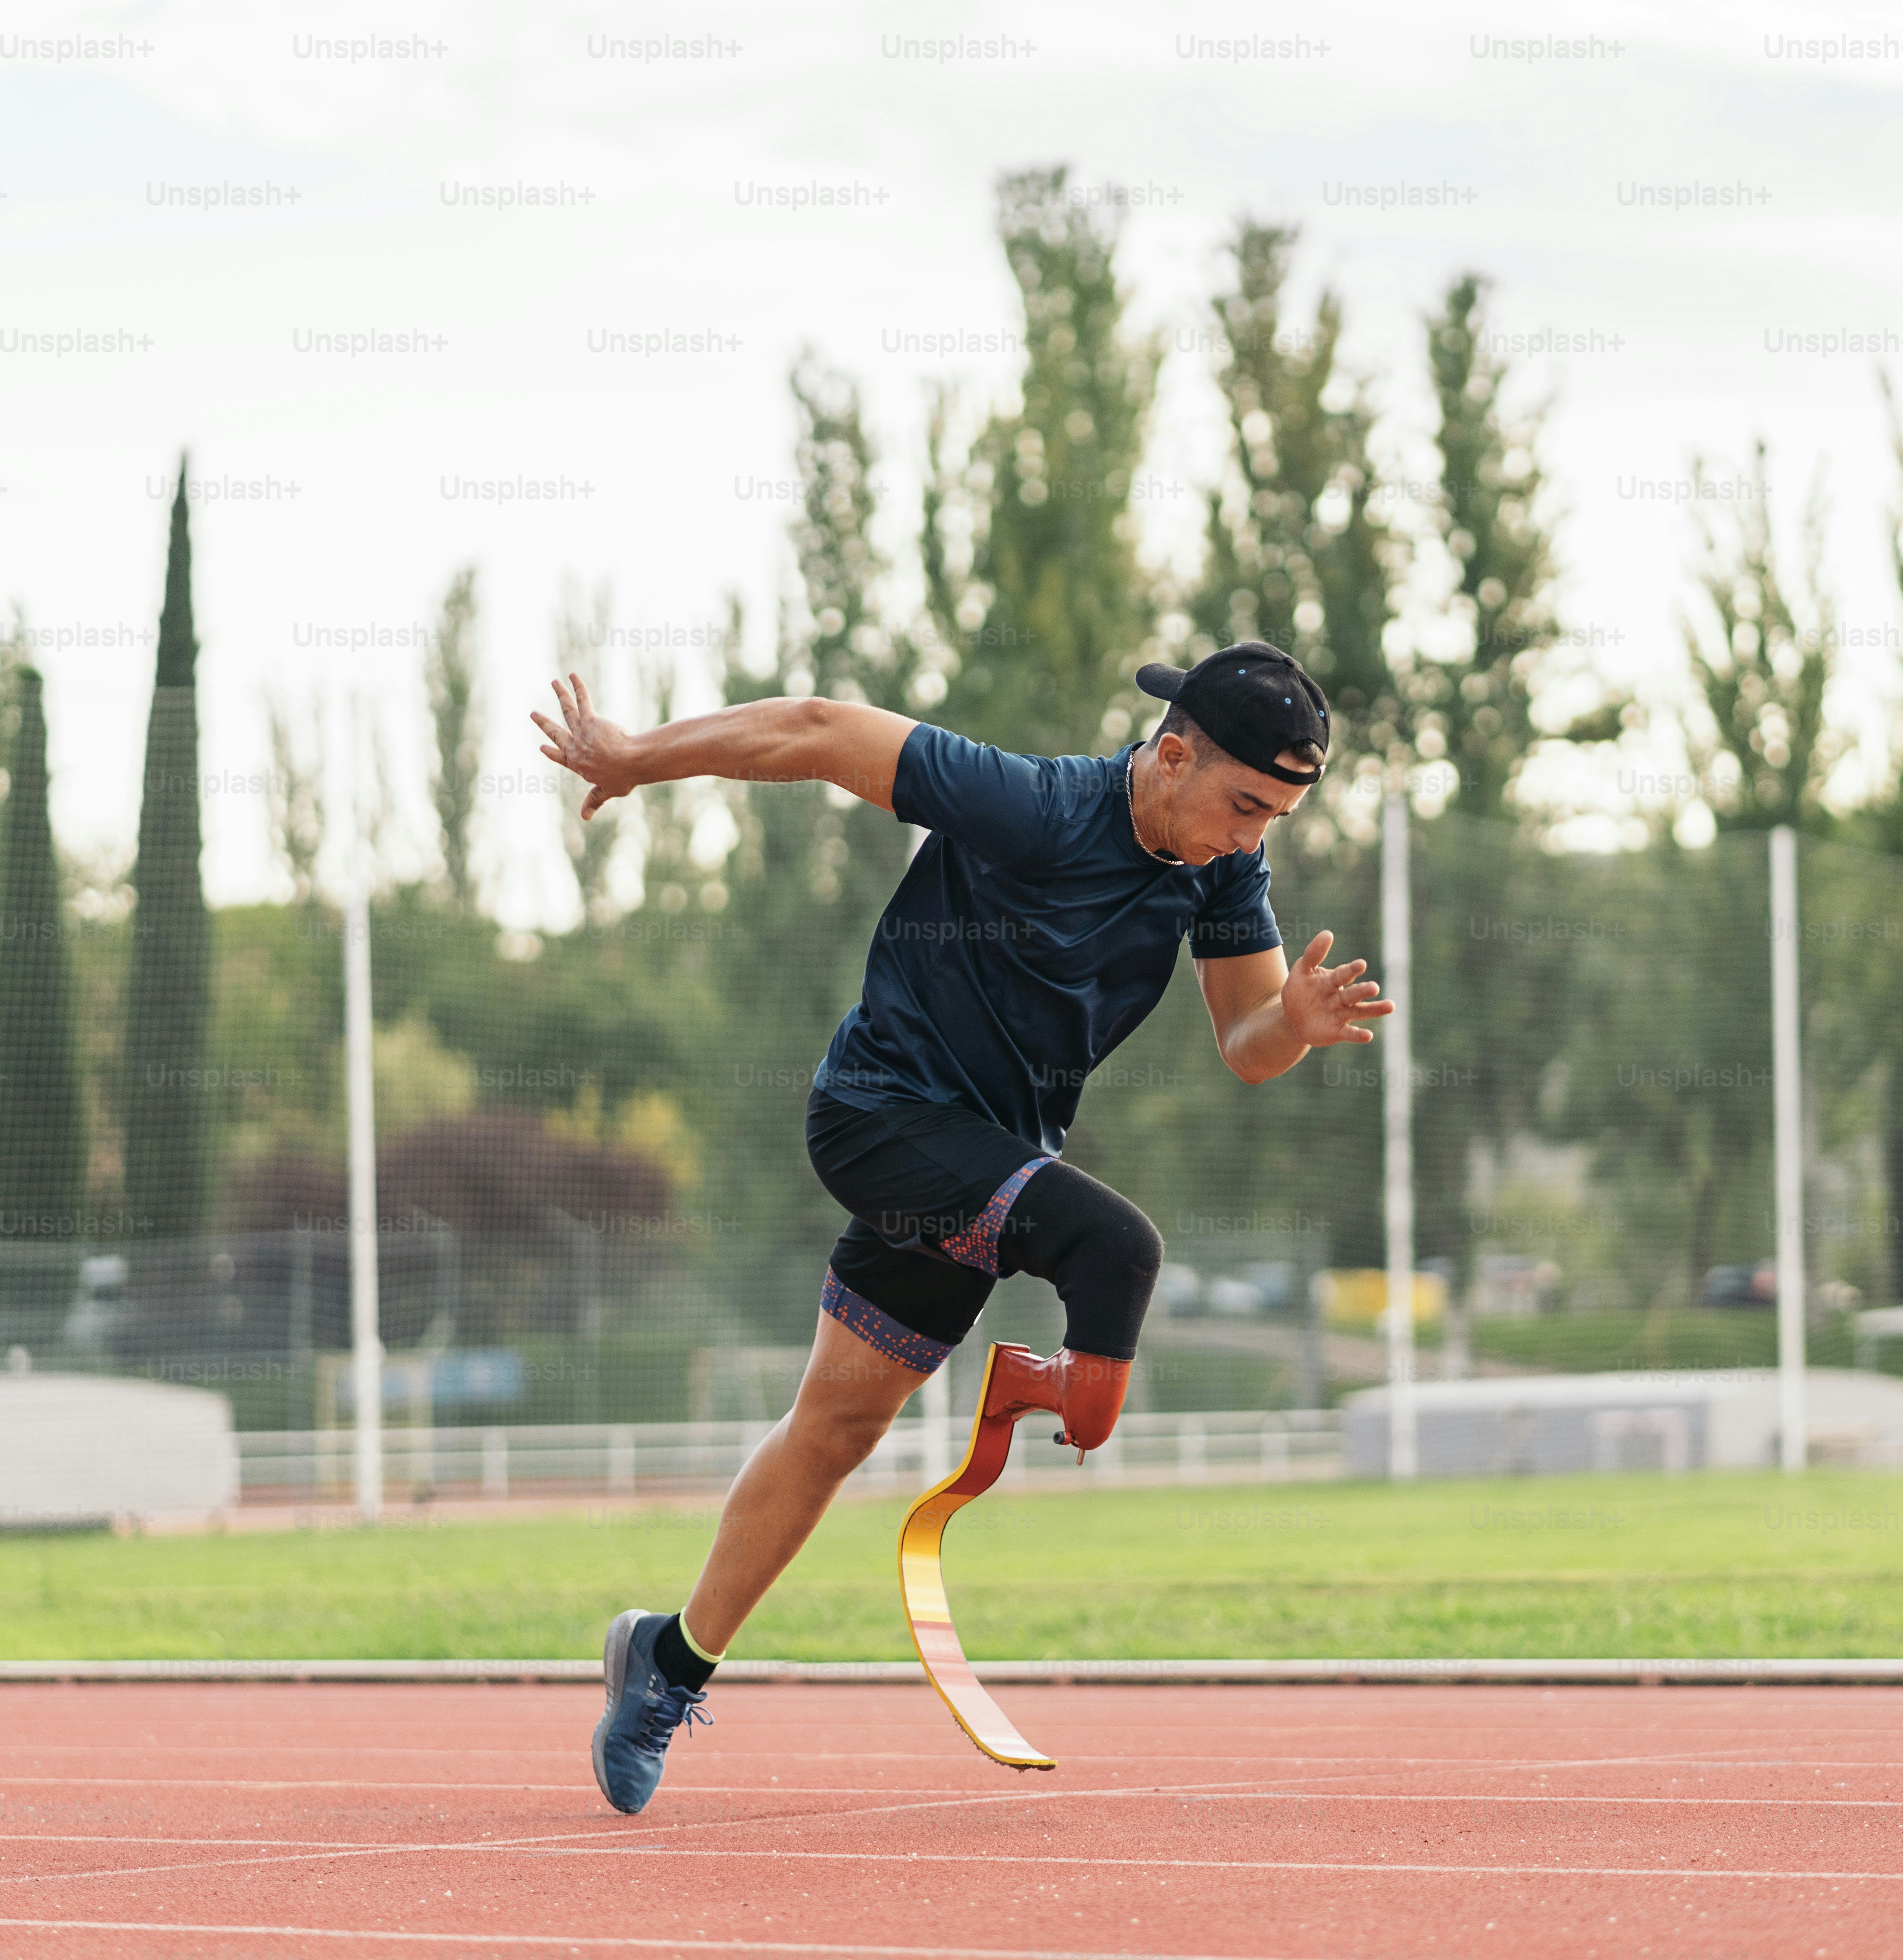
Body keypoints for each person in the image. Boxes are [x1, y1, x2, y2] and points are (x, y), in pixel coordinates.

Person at [530, 643, 1393, 1813]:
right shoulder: (1033, 807)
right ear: (1174, 755)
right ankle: (1035, 1392)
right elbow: (822, 729)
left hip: (981, 1171)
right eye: (1246, 806)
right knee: (1116, 1250)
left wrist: (1290, 1020)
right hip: (881, 1120)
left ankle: (664, 1662)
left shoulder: (1223, 875)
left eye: (1279, 817)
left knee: (832, 1431)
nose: (1255, 836)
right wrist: (638, 757)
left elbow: (1247, 1048)